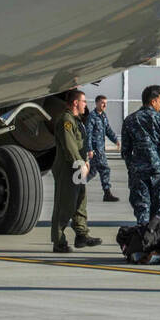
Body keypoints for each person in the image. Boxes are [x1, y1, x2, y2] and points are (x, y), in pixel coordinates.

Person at [119, 84, 160, 225]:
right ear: (153, 101)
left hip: (138, 172)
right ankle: (159, 241)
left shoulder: (130, 120)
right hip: (159, 172)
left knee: (142, 208)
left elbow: (126, 151)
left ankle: (143, 239)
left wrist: (132, 168)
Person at [50, 89, 101, 253]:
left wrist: (86, 158)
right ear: (75, 103)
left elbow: (80, 143)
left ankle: (81, 235)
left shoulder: (76, 120)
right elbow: (69, 145)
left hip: (79, 167)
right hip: (68, 168)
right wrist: (80, 164)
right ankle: (59, 242)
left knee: (80, 201)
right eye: (83, 101)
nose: (86, 105)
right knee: (64, 205)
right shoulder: (66, 120)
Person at [83, 94, 121, 202]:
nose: (104, 105)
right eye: (102, 103)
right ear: (97, 103)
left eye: (105, 103)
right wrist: (89, 149)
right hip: (96, 150)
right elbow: (88, 134)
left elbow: (108, 130)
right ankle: (107, 193)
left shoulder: (103, 116)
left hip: (100, 148)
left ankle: (76, 185)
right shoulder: (92, 117)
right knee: (105, 169)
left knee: (92, 171)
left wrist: (116, 140)